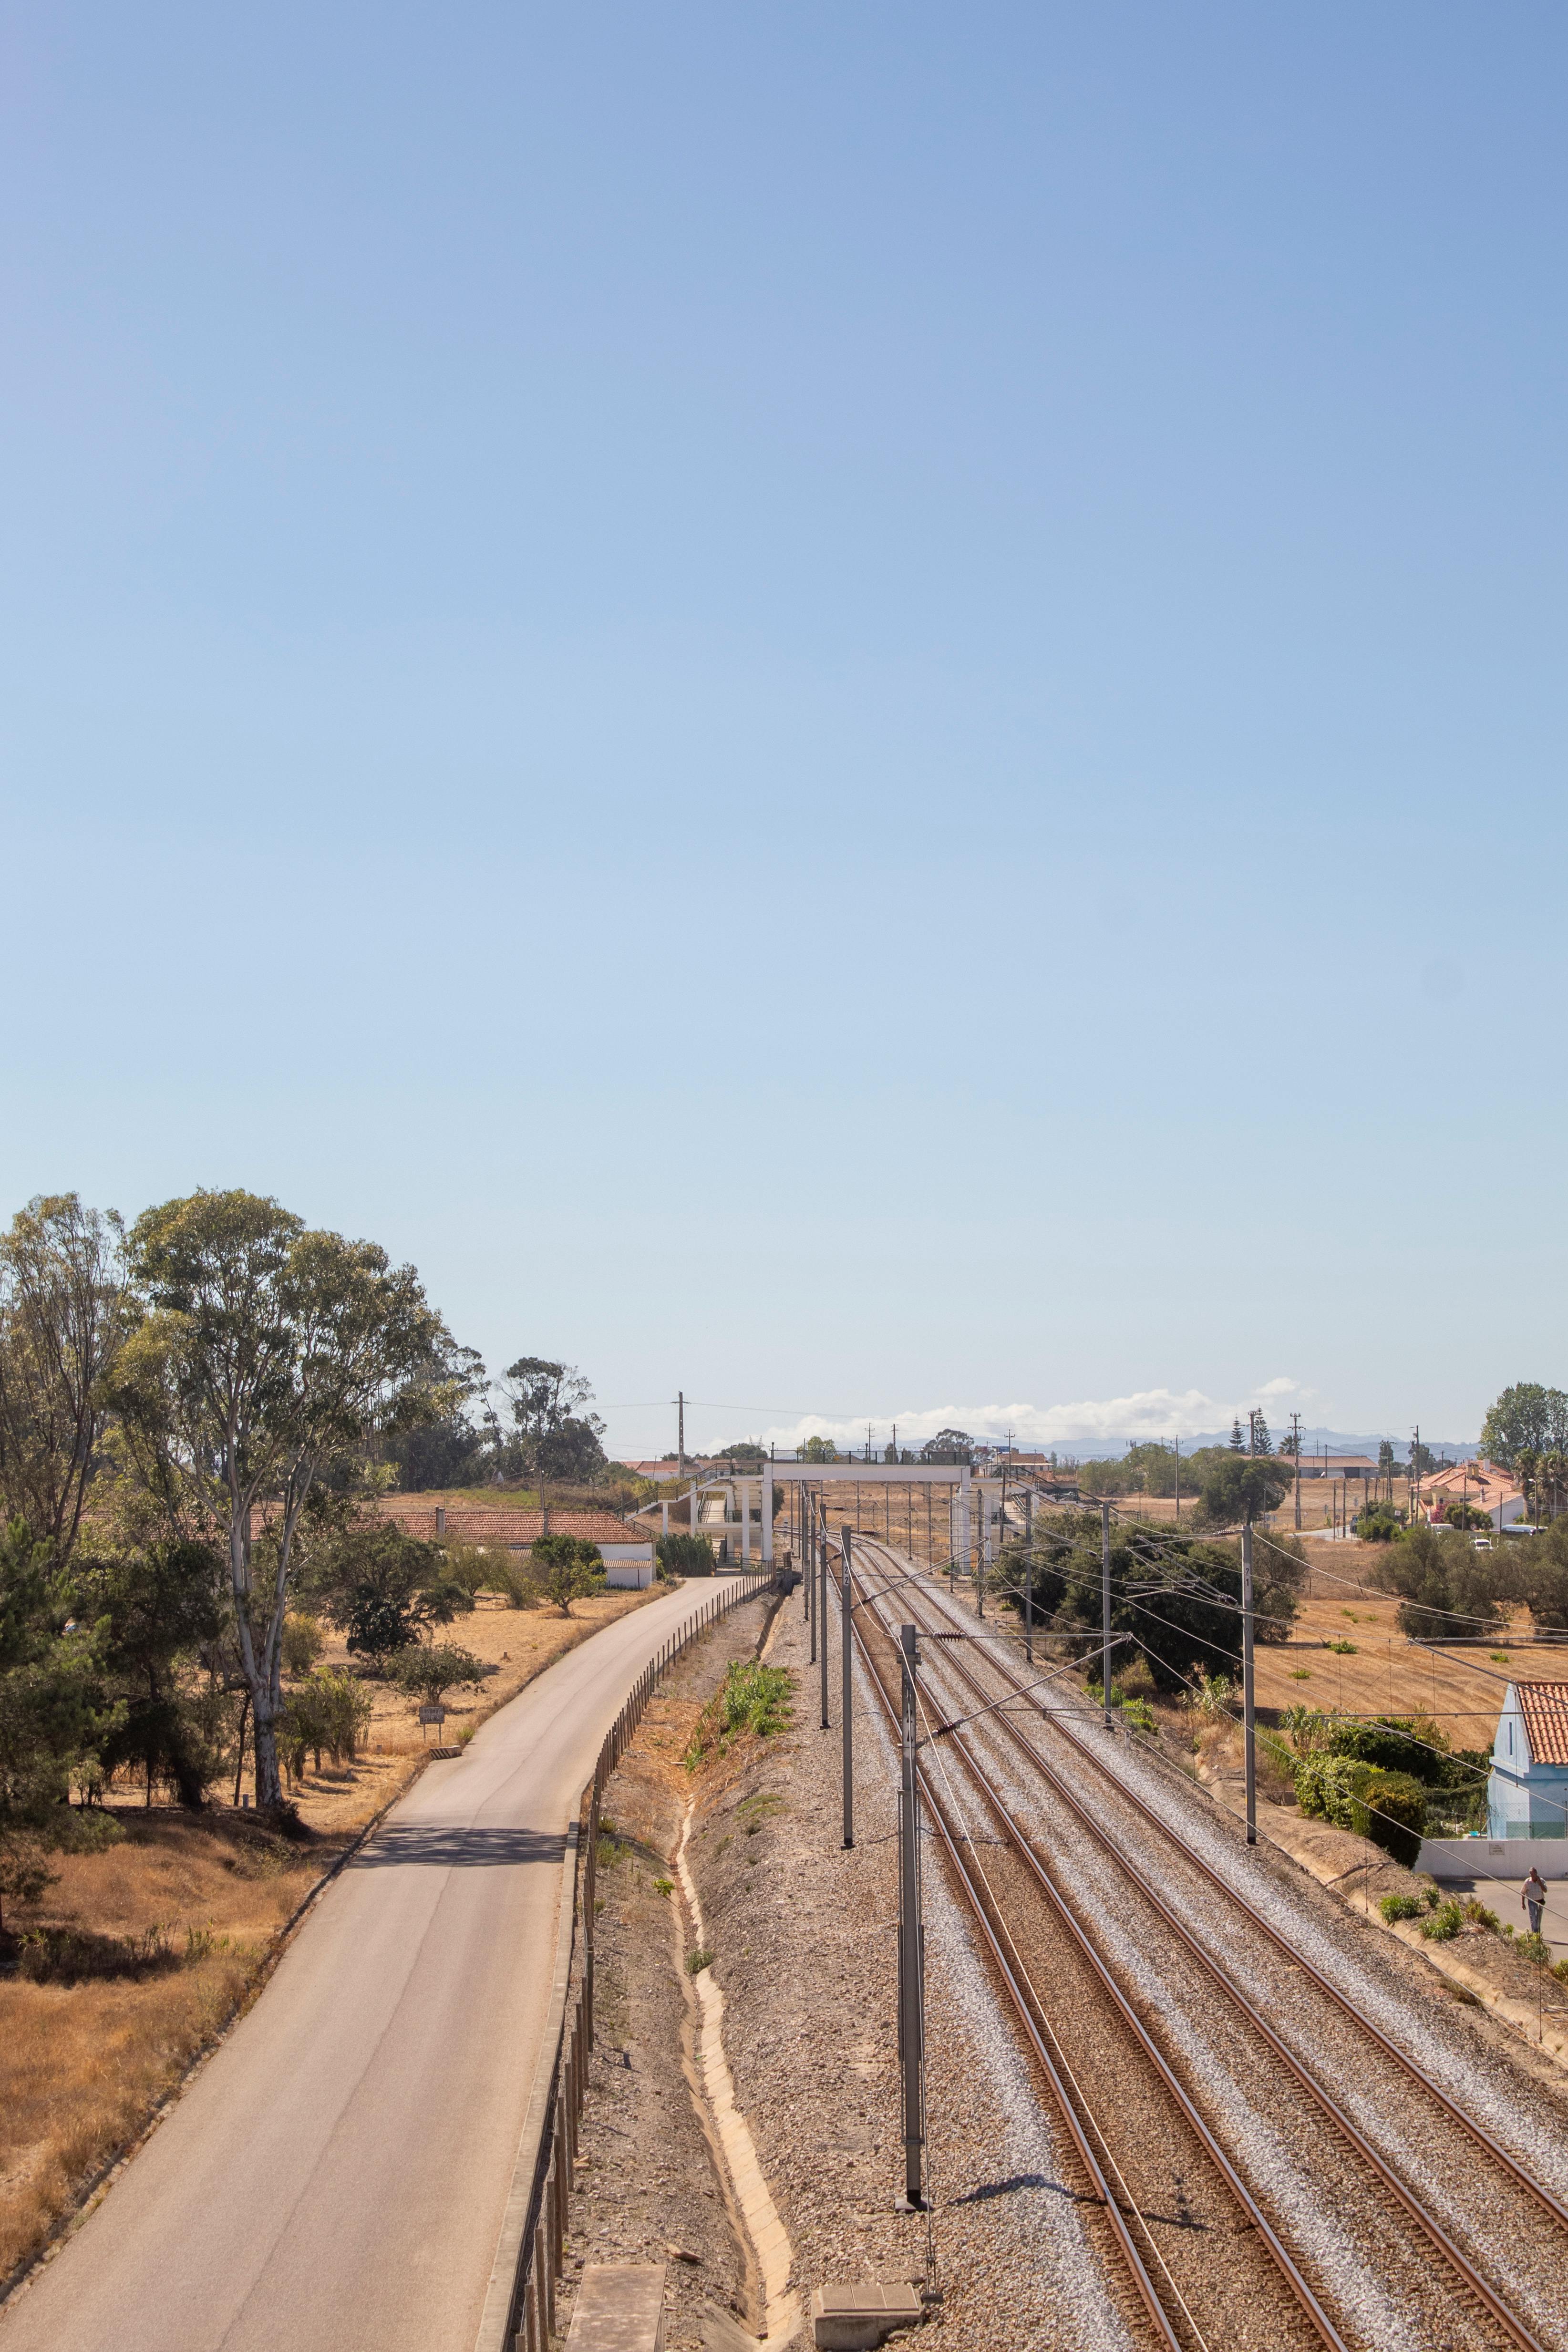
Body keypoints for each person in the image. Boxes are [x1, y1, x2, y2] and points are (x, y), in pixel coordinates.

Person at [1522, 1867, 1548, 1937]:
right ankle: (1535, 1933)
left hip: (1540, 1902)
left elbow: (1545, 1891)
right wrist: (1523, 1903)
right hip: (1532, 1902)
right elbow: (1523, 1892)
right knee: (1533, 1918)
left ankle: (1538, 1933)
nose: (1532, 1875)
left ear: (1536, 1873)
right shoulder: (1527, 1882)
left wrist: (1540, 1884)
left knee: (1539, 1918)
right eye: (1531, 1874)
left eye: (1533, 1874)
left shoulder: (1542, 1881)